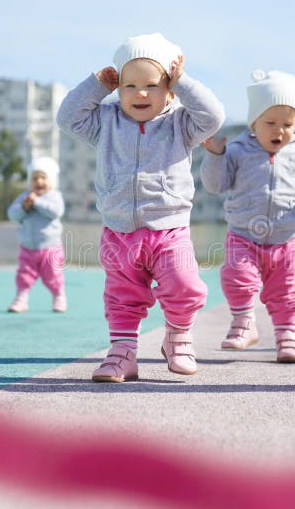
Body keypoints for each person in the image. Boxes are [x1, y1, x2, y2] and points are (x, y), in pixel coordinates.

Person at [56, 33, 225, 382]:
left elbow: (214, 117)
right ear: (118, 89)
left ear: (170, 90)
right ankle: (122, 353)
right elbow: (67, 118)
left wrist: (184, 82)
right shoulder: (106, 122)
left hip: (169, 229)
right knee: (122, 296)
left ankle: (178, 337)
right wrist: (95, 86)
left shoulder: (182, 124)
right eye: (129, 86)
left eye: (152, 85)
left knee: (185, 285)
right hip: (119, 232)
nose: (140, 94)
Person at [201, 70, 295, 363]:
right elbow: (215, 184)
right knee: (237, 277)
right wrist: (215, 157)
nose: (279, 130)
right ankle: (244, 323)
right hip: (243, 234)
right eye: (270, 123)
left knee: (285, 291)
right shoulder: (237, 150)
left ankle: (287, 335)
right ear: (253, 122)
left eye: (287, 124)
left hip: (286, 238)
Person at [6, 156, 67, 313]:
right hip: (28, 247)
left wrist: (37, 203)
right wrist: (24, 207)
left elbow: (56, 211)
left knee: (53, 275)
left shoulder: (54, 196)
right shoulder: (25, 197)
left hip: (50, 248)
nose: (39, 181)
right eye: (34, 178)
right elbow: (12, 214)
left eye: (43, 177)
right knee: (24, 275)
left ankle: (59, 296)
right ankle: (21, 298)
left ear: (51, 180)